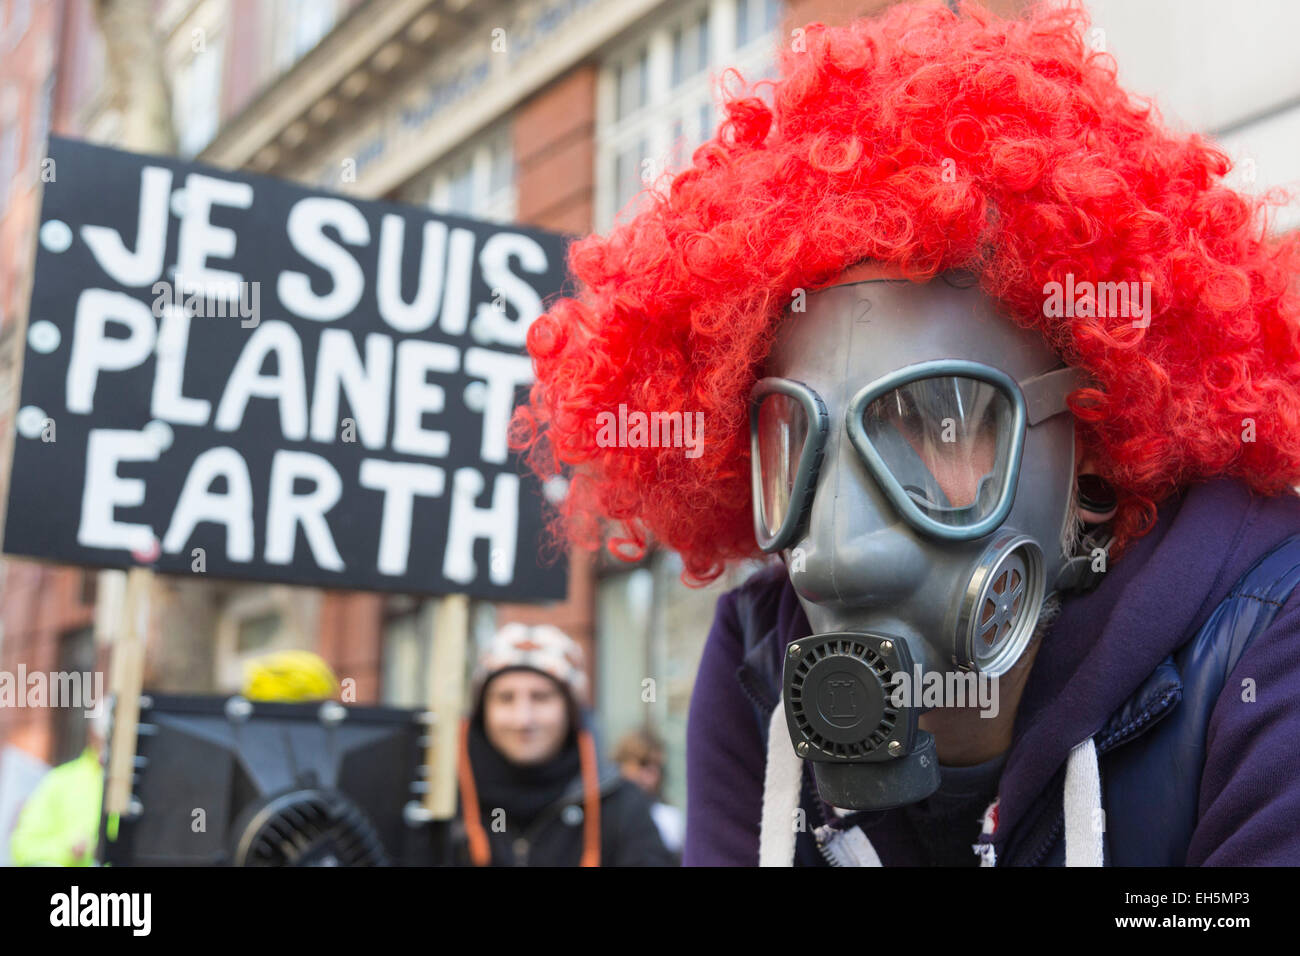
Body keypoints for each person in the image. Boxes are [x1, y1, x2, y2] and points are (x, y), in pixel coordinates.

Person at [511, 1, 1300, 866]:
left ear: (1091, 443)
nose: (842, 547)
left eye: (938, 420)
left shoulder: (1265, 639)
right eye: (795, 439)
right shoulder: (758, 669)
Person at [450, 623, 674, 866]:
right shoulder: (444, 800)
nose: (523, 719)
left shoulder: (622, 807)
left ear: (571, 710)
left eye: (541, 697)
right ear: (482, 711)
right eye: (505, 698)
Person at [613, 729, 684, 858]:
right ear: (622, 763)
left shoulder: (667, 818)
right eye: (643, 763)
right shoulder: (602, 813)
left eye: (658, 767)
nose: (653, 774)